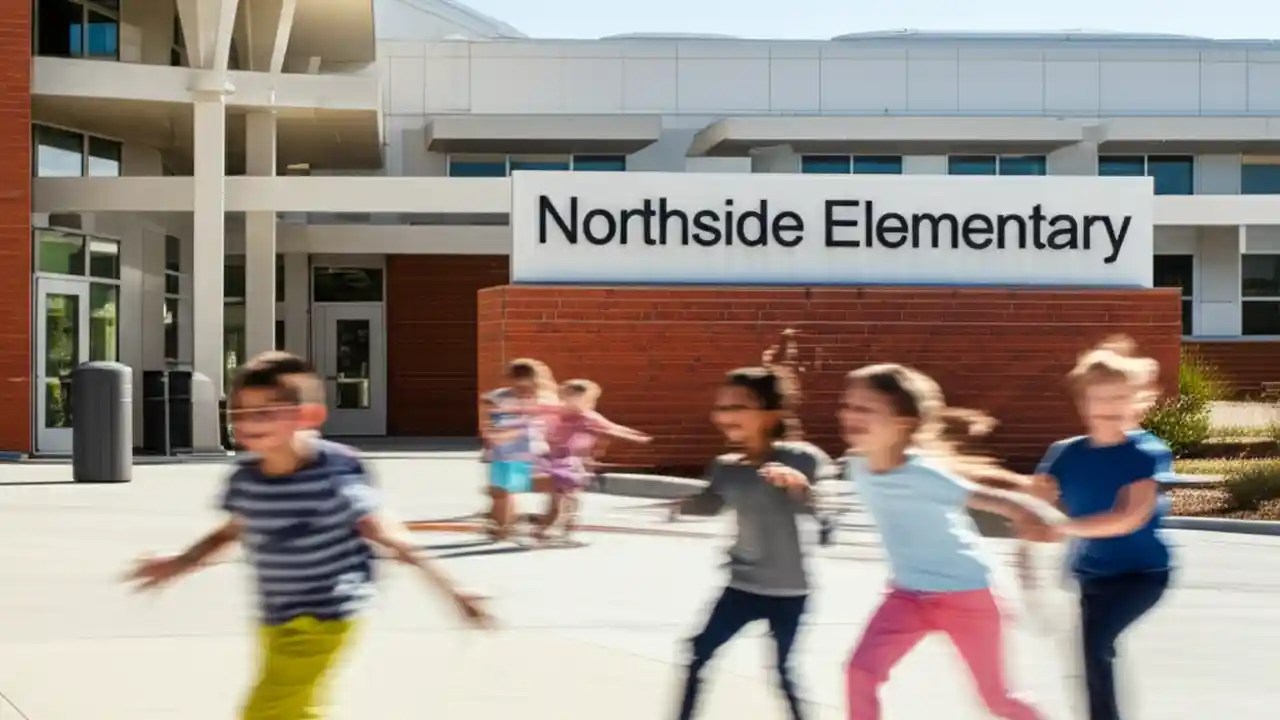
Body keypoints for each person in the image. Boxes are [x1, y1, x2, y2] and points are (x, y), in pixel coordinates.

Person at [125, 351, 491, 720]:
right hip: (275, 616)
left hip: (327, 614)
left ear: (307, 417)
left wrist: (451, 589)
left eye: (265, 412)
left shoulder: (333, 474)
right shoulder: (245, 479)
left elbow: (385, 531)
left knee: (264, 711)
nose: (250, 423)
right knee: (298, 708)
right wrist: (177, 564)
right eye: (240, 412)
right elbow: (231, 531)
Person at [841, 363, 1057, 720]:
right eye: (847, 405)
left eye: (865, 408)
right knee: (860, 672)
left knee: (998, 699)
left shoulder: (924, 474)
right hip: (908, 596)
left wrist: (1034, 515)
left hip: (967, 595)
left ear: (902, 423)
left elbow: (990, 499)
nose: (850, 415)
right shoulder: (856, 465)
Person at [675, 332, 831, 720]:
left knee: (781, 673)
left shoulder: (802, 458)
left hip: (789, 591)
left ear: (773, 413)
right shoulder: (726, 467)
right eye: (721, 406)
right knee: (697, 654)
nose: (725, 414)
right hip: (740, 587)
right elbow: (711, 505)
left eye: (738, 405)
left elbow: (828, 522)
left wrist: (801, 487)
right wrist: (686, 504)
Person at [1032, 336, 1174, 720]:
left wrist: (1063, 527)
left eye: (1120, 398)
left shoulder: (1145, 453)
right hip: (1090, 576)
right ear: (1083, 403)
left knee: (1096, 644)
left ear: (1136, 403)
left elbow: (1129, 517)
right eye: (1101, 398)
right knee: (1090, 656)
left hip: (1142, 576)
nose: (1110, 408)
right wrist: (1033, 511)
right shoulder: (1064, 455)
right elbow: (1041, 506)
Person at [532, 379, 652, 542]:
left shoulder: (588, 417)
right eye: (569, 398)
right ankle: (549, 526)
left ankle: (564, 523)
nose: (574, 404)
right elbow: (535, 411)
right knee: (558, 497)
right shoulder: (556, 412)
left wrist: (636, 436)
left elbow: (612, 428)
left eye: (581, 400)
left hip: (572, 462)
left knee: (568, 494)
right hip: (552, 459)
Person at [480, 358, 556, 539]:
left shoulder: (545, 398)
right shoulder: (499, 396)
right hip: (505, 450)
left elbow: (553, 423)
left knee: (546, 485)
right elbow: (486, 414)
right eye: (516, 379)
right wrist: (489, 433)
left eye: (525, 378)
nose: (520, 384)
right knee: (503, 491)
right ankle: (503, 526)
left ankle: (540, 522)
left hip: (532, 450)